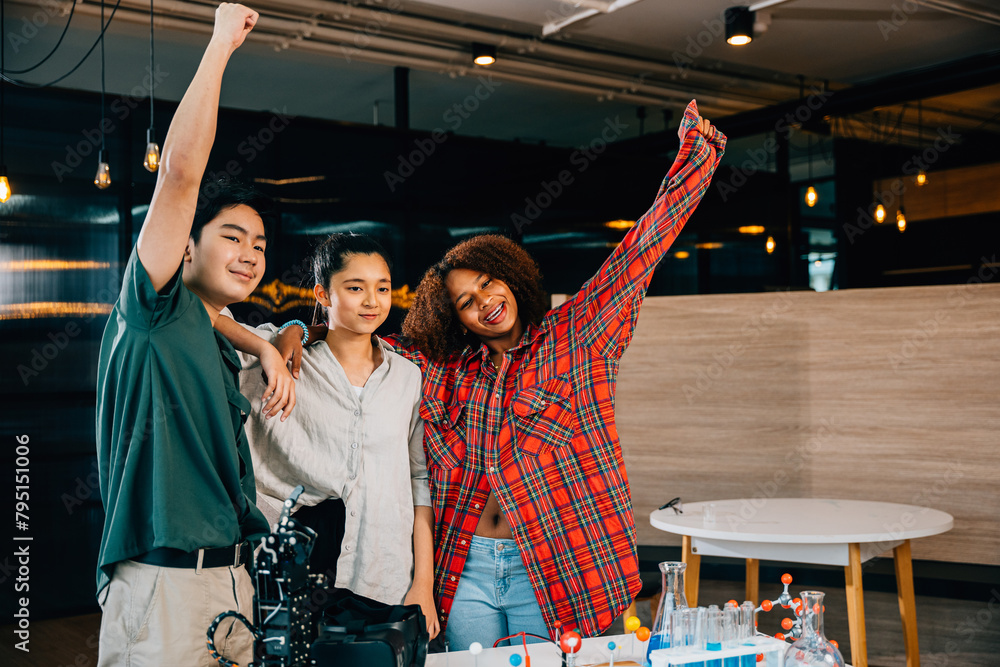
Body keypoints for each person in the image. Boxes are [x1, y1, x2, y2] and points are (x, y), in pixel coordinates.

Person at [279, 100, 725, 648]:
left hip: (555, 566)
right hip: (463, 570)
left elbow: (641, 249)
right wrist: (297, 329)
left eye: (490, 282)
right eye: (467, 301)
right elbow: (357, 335)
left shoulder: (578, 336)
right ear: (456, 319)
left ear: (512, 277)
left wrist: (696, 157)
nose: (485, 302)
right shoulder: (435, 367)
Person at [94, 5, 295, 666]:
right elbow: (179, 176)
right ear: (185, 248)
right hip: (163, 588)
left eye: (259, 244)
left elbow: (276, 325)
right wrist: (219, 46)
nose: (250, 253)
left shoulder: (212, 331)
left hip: (231, 581)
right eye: (231, 237)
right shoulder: (150, 309)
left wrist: (269, 341)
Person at [216, 233, 439, 638]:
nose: (372, 301)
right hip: (296, 575)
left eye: (382, 288)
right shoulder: (279, 355)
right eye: (355, 288)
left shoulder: (408, 376)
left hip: (385, 575)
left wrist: (422, 584)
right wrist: (282, 338)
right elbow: (199, 312)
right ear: (323, 292)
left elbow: (418, 481)